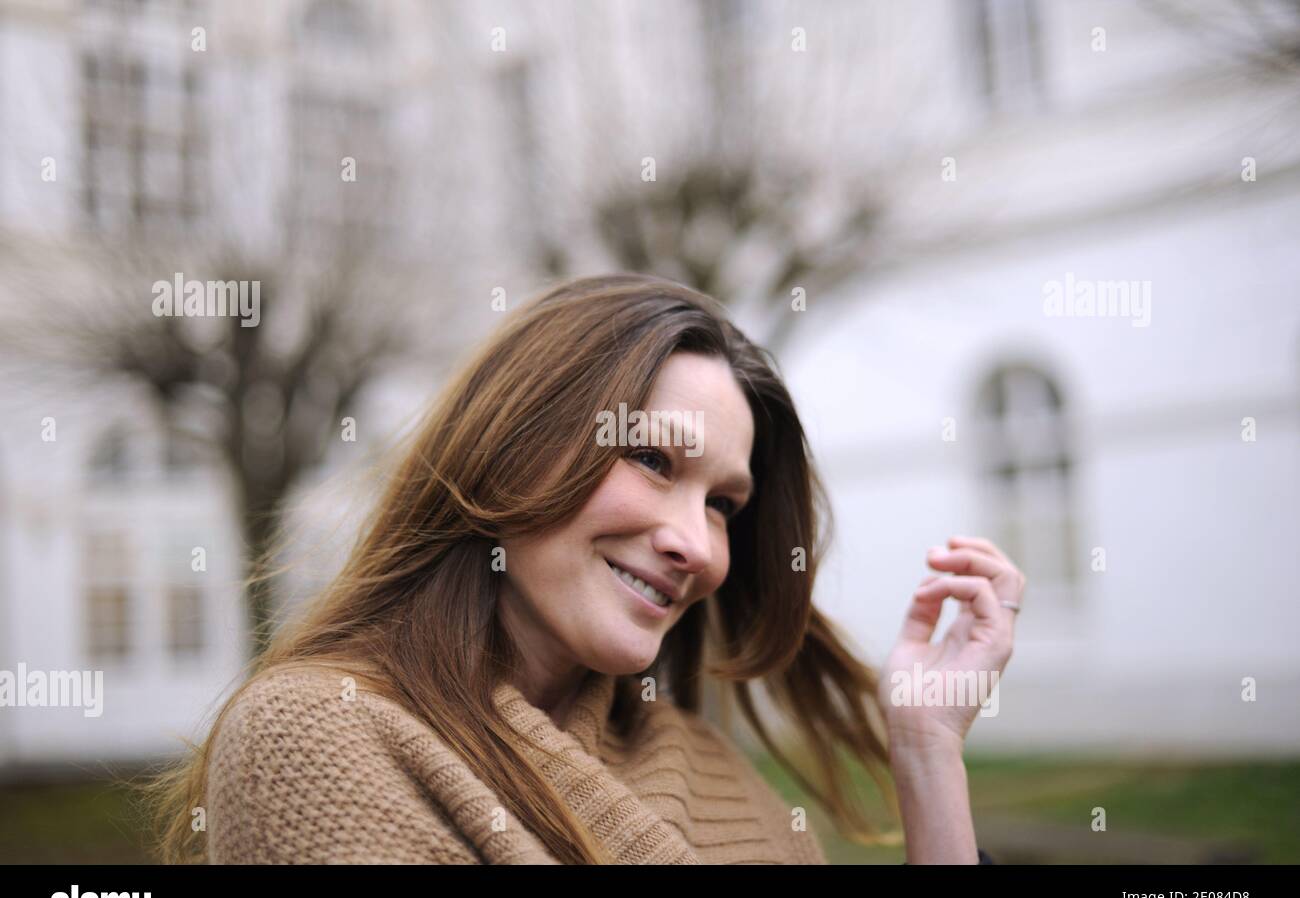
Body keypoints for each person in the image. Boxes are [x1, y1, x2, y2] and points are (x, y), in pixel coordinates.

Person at [147, 273, 1024, 864]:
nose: (699, 545)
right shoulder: (317, 735)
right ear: (514, 446)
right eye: (652, 460)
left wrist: (925, 753)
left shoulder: (712, 771)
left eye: (724, 503)